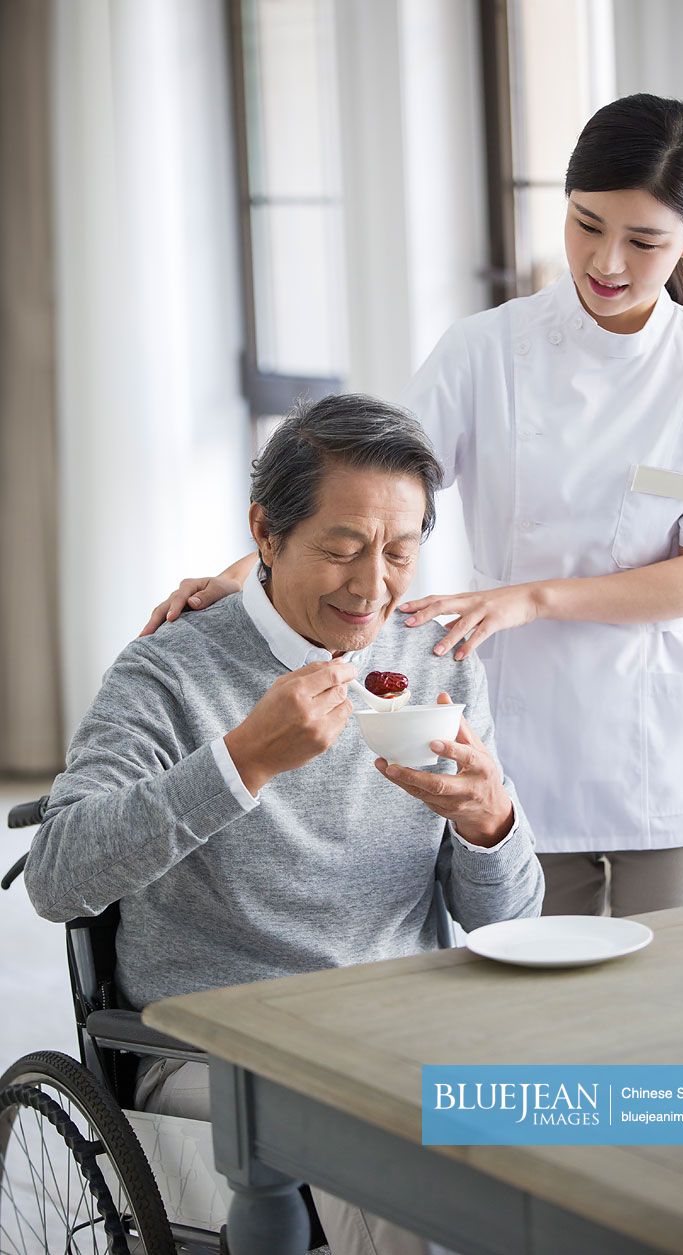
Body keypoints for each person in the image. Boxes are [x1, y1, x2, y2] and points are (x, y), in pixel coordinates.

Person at [142, 94, 683, 919]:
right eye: (586, 224)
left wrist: (530, 595)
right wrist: (253, 568)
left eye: (643, 240)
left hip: (667, 754)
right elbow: (369, 480)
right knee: (531, 1019)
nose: (606, 260)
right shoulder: (489, 350)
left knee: (669, 1028)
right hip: (515, 743)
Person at [26, 394, 543, 1255]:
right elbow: (56, 874)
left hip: (403, 1029)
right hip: (221, 1051)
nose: (372, 584)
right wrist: (242, 762)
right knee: (398, 1171)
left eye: (400, 551)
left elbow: (505, 920)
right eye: (342, 548)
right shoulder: (170, 670)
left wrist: (492, 824)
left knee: (588, 1145)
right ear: (264, 533)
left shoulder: (431, 655)